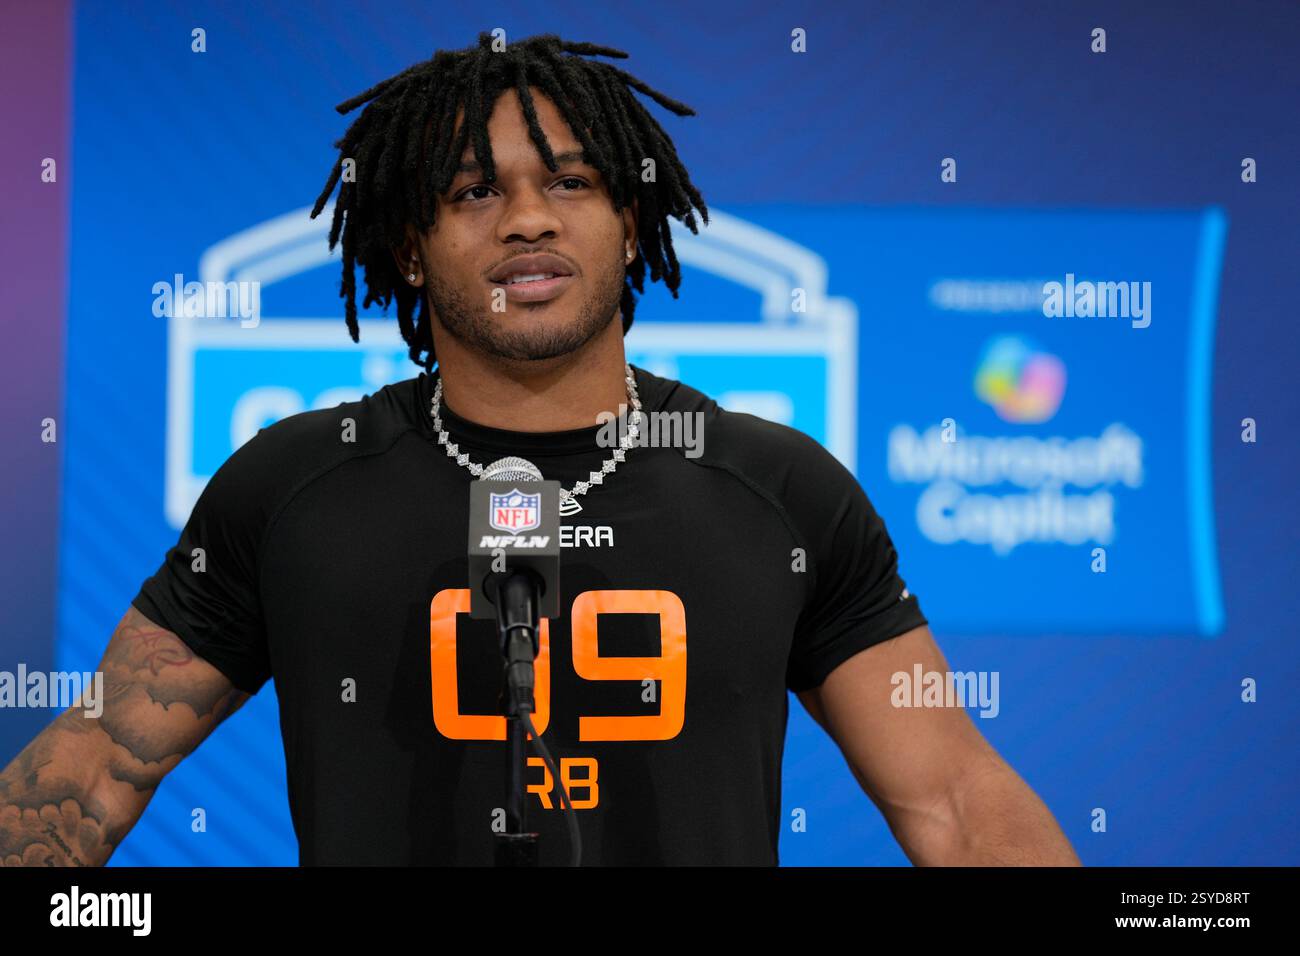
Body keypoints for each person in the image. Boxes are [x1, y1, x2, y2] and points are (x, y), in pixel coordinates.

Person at [0, 33, 1079, 866]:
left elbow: (953, 799)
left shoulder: (780, 490)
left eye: (569, 182)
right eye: (473, 192)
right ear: (408, 252)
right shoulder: (292, 486)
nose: (527, 219)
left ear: (627, 223)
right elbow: (91, 771)